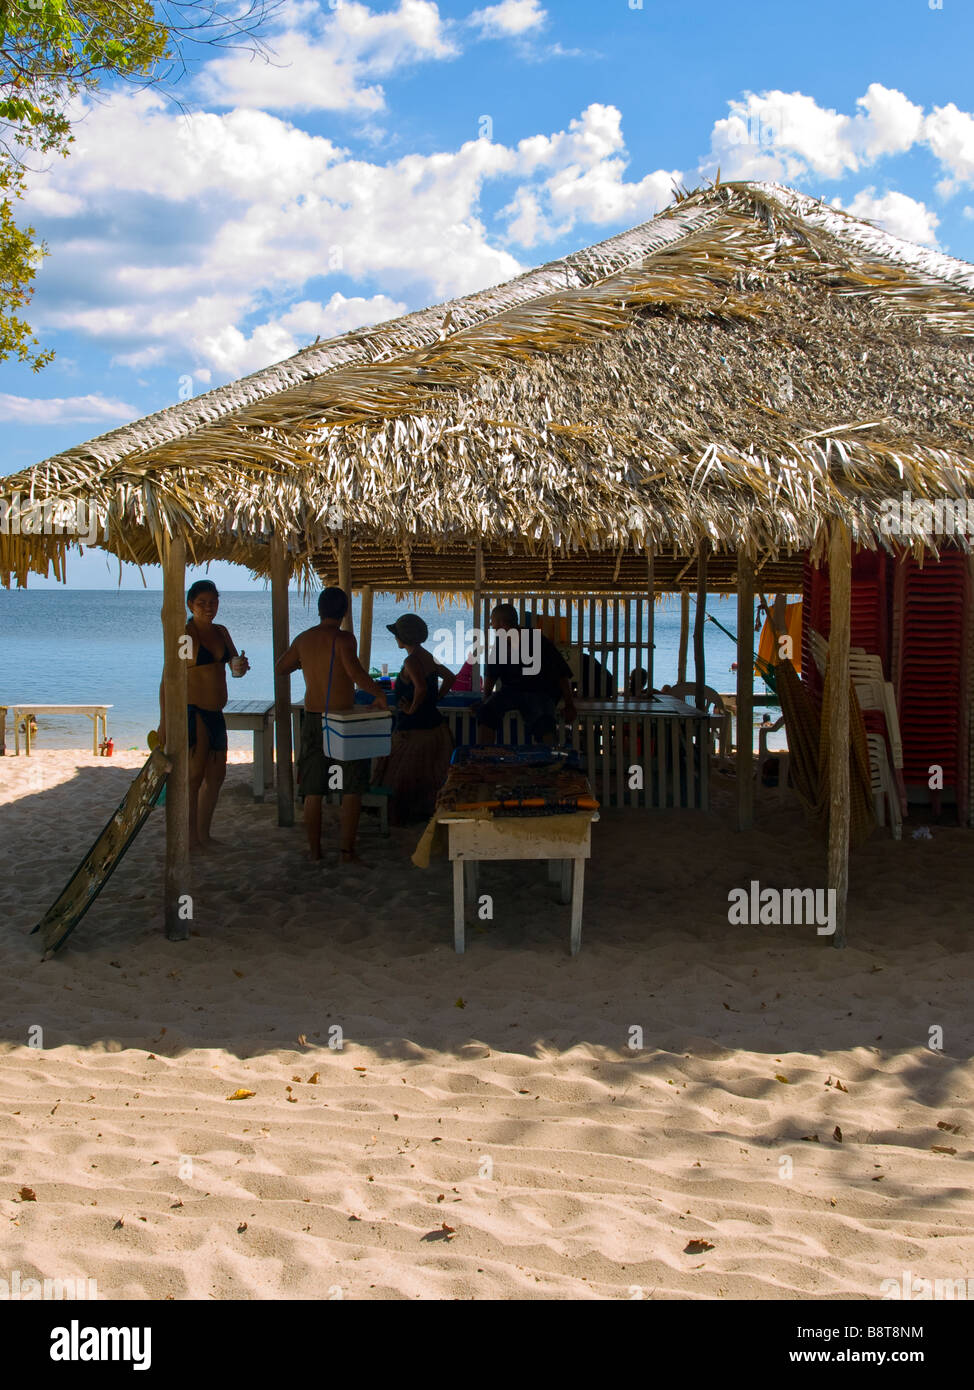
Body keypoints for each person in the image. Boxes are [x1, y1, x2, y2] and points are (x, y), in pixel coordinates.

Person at [276, 587, 388, 864]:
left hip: (313, 718)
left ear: (319, 609)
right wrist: (379, 693)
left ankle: (315, 851)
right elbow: (355, 673)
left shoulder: (304, 638)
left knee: (313, 789)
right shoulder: (344, 639)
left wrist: (305, 664)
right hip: (342, 720)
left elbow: (281, 667)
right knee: (351, 787)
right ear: (345, 611)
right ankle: (346, 852)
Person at [157, 578, 250, 851]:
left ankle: (203, 834)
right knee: (194, 777)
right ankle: (190, 839)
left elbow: (234, 667)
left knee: (217, 776)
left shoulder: (221, 632)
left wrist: (241, 667)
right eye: (202, 603)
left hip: (216, 711)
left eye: (213, 602)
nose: (208, 608)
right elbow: (169, 677)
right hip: (192, 709)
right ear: (190, 605)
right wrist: (164, 720)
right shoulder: (187, 635)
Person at [372, 614, 456, 823]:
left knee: (399, 778)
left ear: (402, 637)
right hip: (435, 727)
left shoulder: (410, 660)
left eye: (396, 635)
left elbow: (420, 687)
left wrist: (411, 708)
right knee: (429, 777)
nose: (395, 639)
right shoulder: (428, 656)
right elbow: (450, 677)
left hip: (413, 729)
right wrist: (436, 698)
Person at [476, 604, 576, 745]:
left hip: (539, 693)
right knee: (485, 712)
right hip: (511, 692)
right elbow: (491, 674)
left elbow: (561, 674)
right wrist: (485, 700)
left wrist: (569, 704)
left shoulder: (537, 640)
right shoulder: (502, 643)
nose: (494, 630)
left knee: (544, 722)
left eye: (494, 627)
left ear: (502, 625)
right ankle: (483, 758)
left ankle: (548, 759)